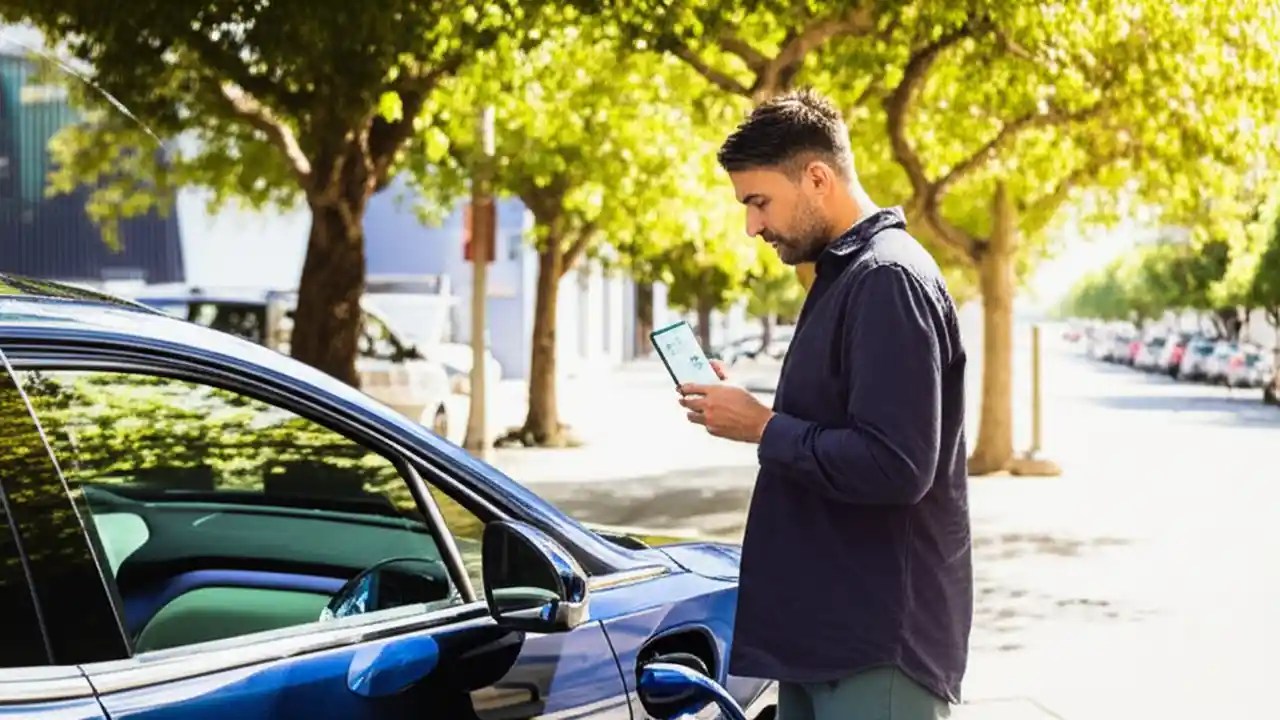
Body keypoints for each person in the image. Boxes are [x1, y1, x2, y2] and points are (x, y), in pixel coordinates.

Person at [676, 88, 972, 719]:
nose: (751, 225)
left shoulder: (887, 278)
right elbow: (836, 428)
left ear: (817, 178)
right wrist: (753, 415)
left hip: (875, 649)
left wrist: (763, 427)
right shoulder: (846, 275)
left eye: (758, 202)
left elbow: (897, 466)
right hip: (824, 641)